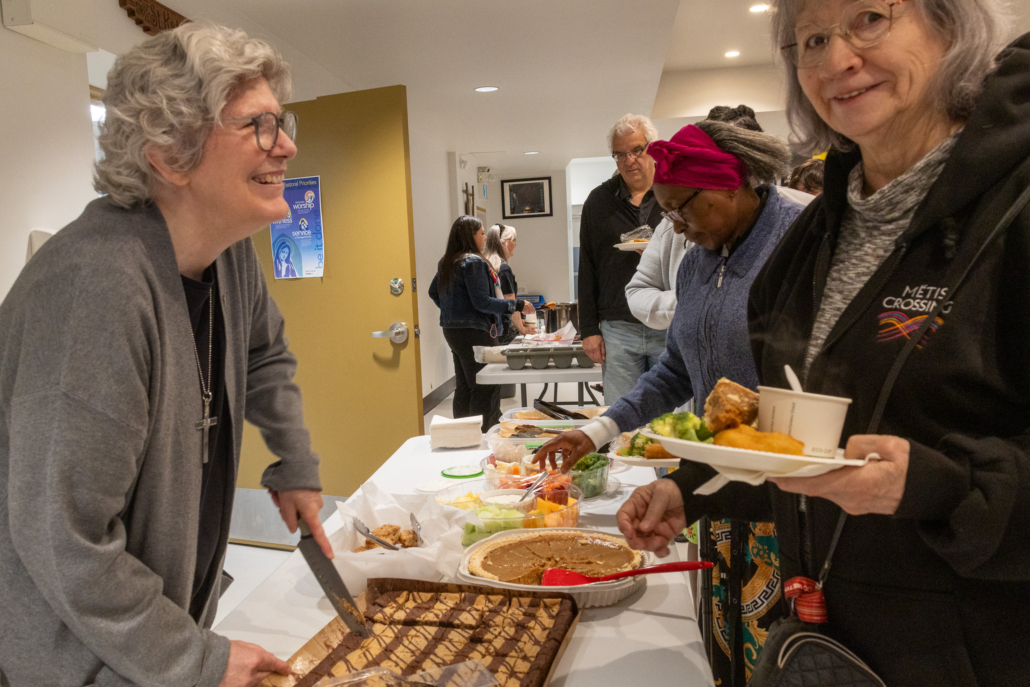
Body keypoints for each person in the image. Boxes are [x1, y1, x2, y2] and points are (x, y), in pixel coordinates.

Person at [619, 1, 1029, 684]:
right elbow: (803, 440)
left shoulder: (1013, 204)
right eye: (811, 39)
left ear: (950, 27)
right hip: (822, 643)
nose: (837, 60)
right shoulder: (817, 236)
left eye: (870, 17)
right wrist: (692, 488)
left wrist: (937, 485)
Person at [0, 23, 333, 687]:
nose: (288, 145)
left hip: (143, 636)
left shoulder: (227, 254)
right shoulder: (96, 287)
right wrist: (197, 659)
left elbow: (263, 353)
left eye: (282, 121)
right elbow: (64, 539)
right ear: (169, 154)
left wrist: (292, 459)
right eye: (259, 126)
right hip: (67, 660)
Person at [535, 121, 805, 685]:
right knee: (721, 637)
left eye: (681, 210)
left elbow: (809, 387)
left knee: (780, 653)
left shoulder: (797, 243)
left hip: (788, 497)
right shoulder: (699, 261)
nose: (675, 227)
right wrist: (598, 429)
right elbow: (678, 370)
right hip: (714, 477)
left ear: (726, 185)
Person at [578, 114, 667, 403]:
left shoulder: (675, 192)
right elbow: (587, 267)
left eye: (637, 150)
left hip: (666, 322)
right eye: (620, 154)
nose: (629, 160)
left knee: (668, 416)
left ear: (652, 148)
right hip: (618, 328)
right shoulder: (598, 201)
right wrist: (589, 330)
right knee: (620, 417)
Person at [429, 216, 535, 430]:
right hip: (475, 331)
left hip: (452, 331)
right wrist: (516, 305)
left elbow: (433, 292)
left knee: (465, 386)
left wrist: (453, 313)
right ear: (471, 236)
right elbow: (483, 302)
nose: (485, 237)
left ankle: (462, 435)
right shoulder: (474, 262)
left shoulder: (447, 260)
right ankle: (485, 435)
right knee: (483, 385)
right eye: (481, 233)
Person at [484, 224, 537, 343]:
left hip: (487, 327)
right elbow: (509, 303)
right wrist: (522, 329)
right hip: (502, 331)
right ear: (504, 243)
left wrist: (518, 321)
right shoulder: (503, 269)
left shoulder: (484, 264)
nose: (515, 244)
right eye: (514, 240)